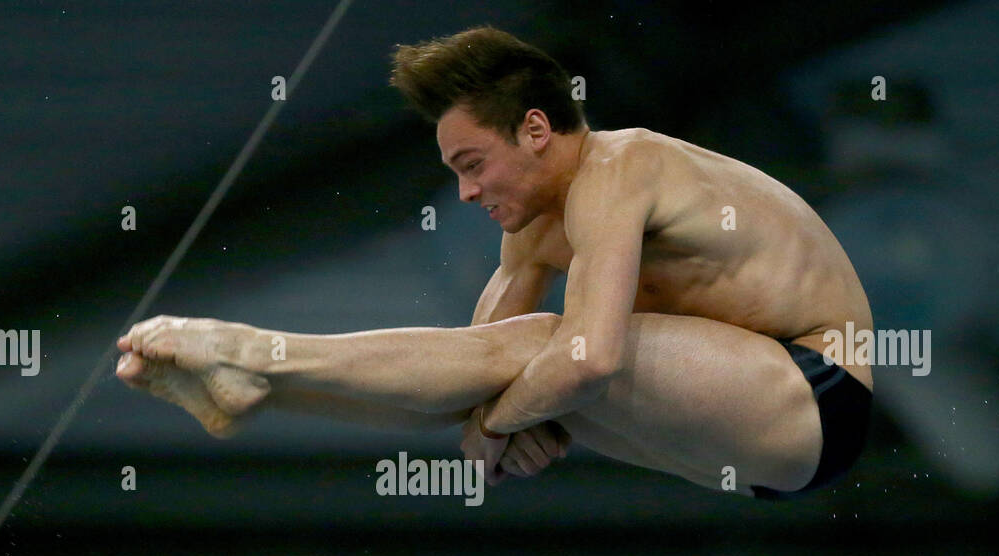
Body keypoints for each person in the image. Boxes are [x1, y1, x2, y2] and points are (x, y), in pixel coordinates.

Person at [115, 25, 873, 498]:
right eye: (454, 172)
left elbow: (587, 358)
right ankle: (259, 391)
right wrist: (502, 431)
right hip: (750, 446)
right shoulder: (533, 229)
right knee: (504, 367)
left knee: (553, 346)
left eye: (474, 163)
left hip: (814, 391)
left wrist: (509, 421)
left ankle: (252, 348)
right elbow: (469, 385)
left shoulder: (624, 166)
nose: (467, 191)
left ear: (537, 128)